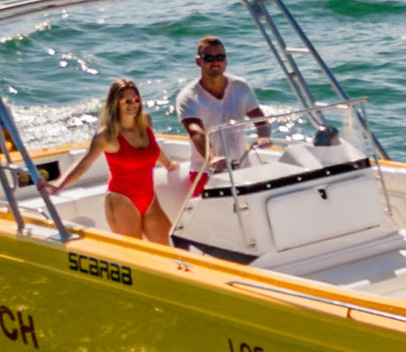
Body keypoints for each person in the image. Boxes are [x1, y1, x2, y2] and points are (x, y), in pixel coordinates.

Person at [42, 78, 179, 244]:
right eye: (127, 101)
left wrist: (169, 165)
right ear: (116, 103)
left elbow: (153, 150)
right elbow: (84, 163)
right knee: (133, 253)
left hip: (150, 199)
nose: (133, 105)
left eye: (136, 100)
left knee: (169, 249)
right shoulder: (107, 135)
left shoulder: (146, 121)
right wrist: (59, 184)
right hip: (121, 200)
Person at [177, 35, 271, 188]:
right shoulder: (188, 97)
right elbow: (196, 132)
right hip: (206, 171)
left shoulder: (241, 86)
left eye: (220, 57)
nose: (215, 62)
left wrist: (264, 135)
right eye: (208, 58)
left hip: (242, 166)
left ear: (226, 60)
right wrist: (213, 158)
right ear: (198, 61)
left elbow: (259, 118)